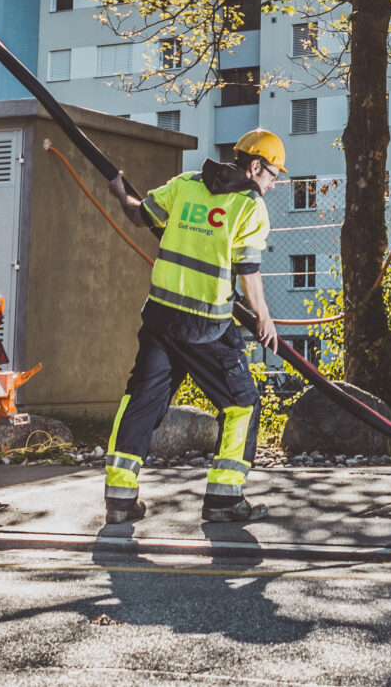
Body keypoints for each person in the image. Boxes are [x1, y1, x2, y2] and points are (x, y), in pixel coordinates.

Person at [102, 129, 284, 525]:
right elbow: (248, 272)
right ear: (255, 166)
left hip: (160, 319)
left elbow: (138, 215)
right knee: (242, 405)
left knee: (141, 400)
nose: (272, 183)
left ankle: (119, 499)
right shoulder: (249, 207)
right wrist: (264, 319)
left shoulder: (185, 184)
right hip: (206, 328)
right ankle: (223, 498)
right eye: (272, 174)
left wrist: (119, 190)